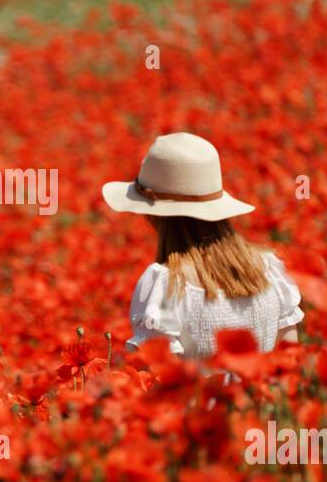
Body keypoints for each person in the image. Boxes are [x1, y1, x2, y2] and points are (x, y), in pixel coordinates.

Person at [101, 132, 303, 359]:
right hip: (259, 395)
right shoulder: (271, 269)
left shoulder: (167, 284)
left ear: (153, 214)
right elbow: (288, 364)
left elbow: (157, 380)